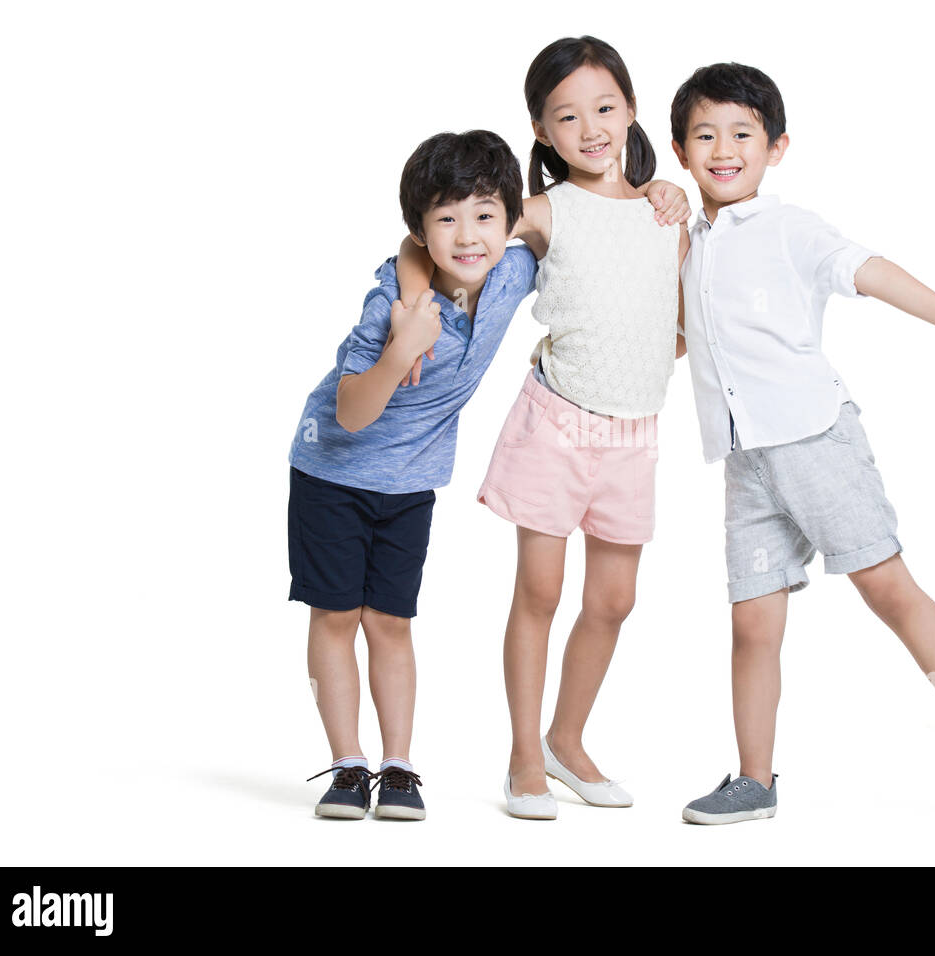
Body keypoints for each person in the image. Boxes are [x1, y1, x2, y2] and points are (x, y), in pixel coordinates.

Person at [669, 62, 935, 829]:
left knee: (889, 591)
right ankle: (753, 779)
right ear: (680, 149)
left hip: (816, 443)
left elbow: (864, 271)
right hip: (745, 462)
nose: (724, 148)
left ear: (777, 146)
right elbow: (678, 339)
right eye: (705, 134)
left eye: (743, 133)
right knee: (751, 623)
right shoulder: (686, 244)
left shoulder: (788, 226)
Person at [396, 35, 692, 819]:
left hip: (636, 434)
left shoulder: (667, 210)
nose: (590, 128)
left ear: (631, 111)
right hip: (556, 423)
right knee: (541, 587)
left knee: (616, 599)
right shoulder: (540, 211)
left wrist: (673, 199)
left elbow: (681, 319)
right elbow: (432, 239)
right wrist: (412, 305)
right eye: (568, 116)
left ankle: (568, 738)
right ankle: (524, 756)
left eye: (605, 108)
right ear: (541, 131)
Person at [288, 130, 535, 820]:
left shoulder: (512, 273)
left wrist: (653, 191)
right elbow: (351, 409)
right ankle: (346, 764)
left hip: (410, 485)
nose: (467, 234)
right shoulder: (389, 305)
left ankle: (397, 766)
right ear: (420, 230)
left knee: (391, 621)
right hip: (331, 471)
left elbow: (558, 212)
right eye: (445, 218)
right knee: (337, 614)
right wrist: (403, 348)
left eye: (484, 215)